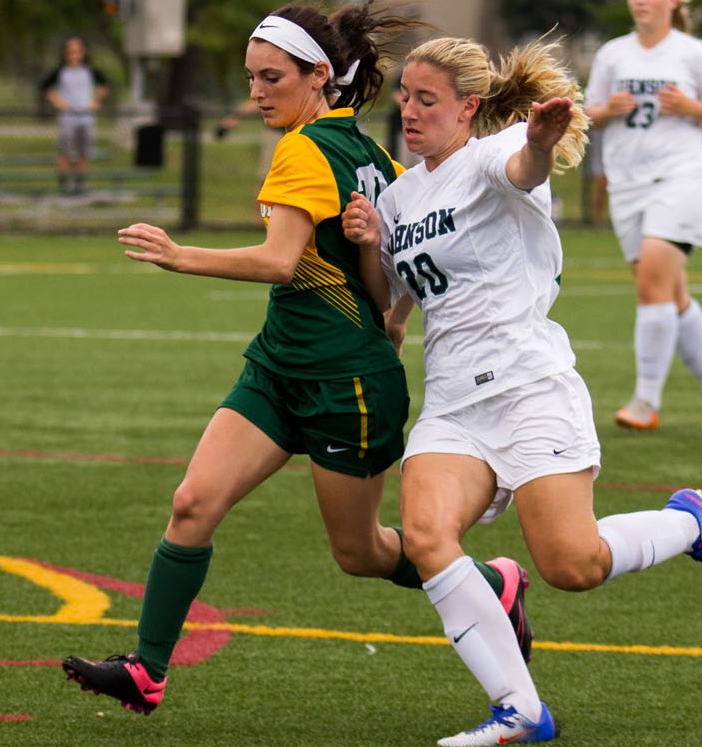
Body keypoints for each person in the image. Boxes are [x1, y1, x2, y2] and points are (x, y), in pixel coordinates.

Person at [60, 2, 534, 719]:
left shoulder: (316, 152)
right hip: (279, 365)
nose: (255, 91)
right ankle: (146, 669)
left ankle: (492, 583)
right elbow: (390, 269)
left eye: (270, 77)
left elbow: (282, 262)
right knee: (191, 504)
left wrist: (179, 254)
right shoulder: (370, 156)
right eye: (250, 77)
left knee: (362, 552)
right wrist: (392, 310)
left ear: (319, 75)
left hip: (347, 386)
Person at [341, 36, 702, 746]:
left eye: (426, 99)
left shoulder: (491, 157)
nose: (407, 110)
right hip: (451, 401)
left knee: (571, 565)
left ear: (469, 107)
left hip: (528, 386)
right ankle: (520, 710)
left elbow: (523, 168)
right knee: (424, 534)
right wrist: (367, 244)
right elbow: (396, 294)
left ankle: (688, 521)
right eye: (404, 96)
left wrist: (536, 142)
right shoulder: (401, 193)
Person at [584, 0, 702, 432]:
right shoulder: (612, 53)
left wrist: (690, 106)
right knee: (670, 294)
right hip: (628, 184)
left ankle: (644, 402)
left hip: (683, 177)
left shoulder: (694, 52)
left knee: (653, 284)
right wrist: (606, 110)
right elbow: (586, 115)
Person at [41, 36, 109, 196]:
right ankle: (64, 185)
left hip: (86, 118)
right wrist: (58, 102)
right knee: (65, 152)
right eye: (71, 51)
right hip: (67, 119)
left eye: (77, 51)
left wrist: (95, 101)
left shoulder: (90, 71)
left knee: (84, 153)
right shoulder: (61, 72)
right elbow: (45, 88)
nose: (74, 54)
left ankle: (80, 184)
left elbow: (104, 86)